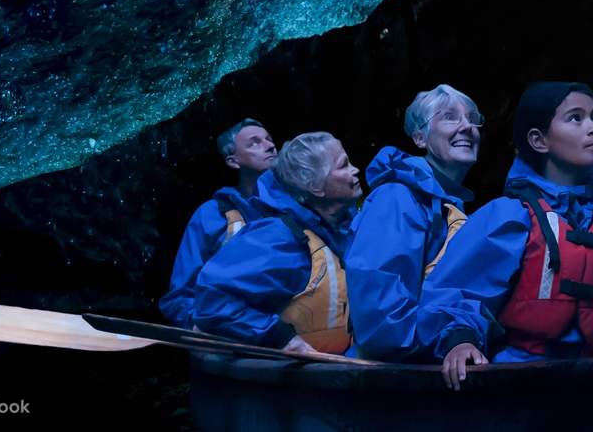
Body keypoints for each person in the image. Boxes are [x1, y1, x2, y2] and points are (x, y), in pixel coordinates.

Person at [419, 82, 593, 390]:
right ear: (539, 140)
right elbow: (458, 293)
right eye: (576, 118)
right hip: (520, 384)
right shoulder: (510, 216)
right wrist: (460, 341)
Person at [345, 84, 481, 361]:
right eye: (450, 117)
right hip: (395, 378)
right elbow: (380, 317)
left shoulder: (445, 205)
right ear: (420, 138)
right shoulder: (397, 198)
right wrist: (451, 340)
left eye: (472, 118)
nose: (467, 127)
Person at [193, 132, 363, 353]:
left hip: (339, 368)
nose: (355, 170)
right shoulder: (277, 238)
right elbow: (213, 301)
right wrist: (280, 338)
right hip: (287, 378)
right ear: (315, 187)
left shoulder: (342, 227)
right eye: (343, 165)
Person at [159, 118, 276, 328]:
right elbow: (180, 294)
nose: (270, 145)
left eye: (269, 139)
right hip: (227, 336)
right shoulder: (211, 215)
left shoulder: (297, 209)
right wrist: (198, 326)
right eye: (255, 143)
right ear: (233, 161)